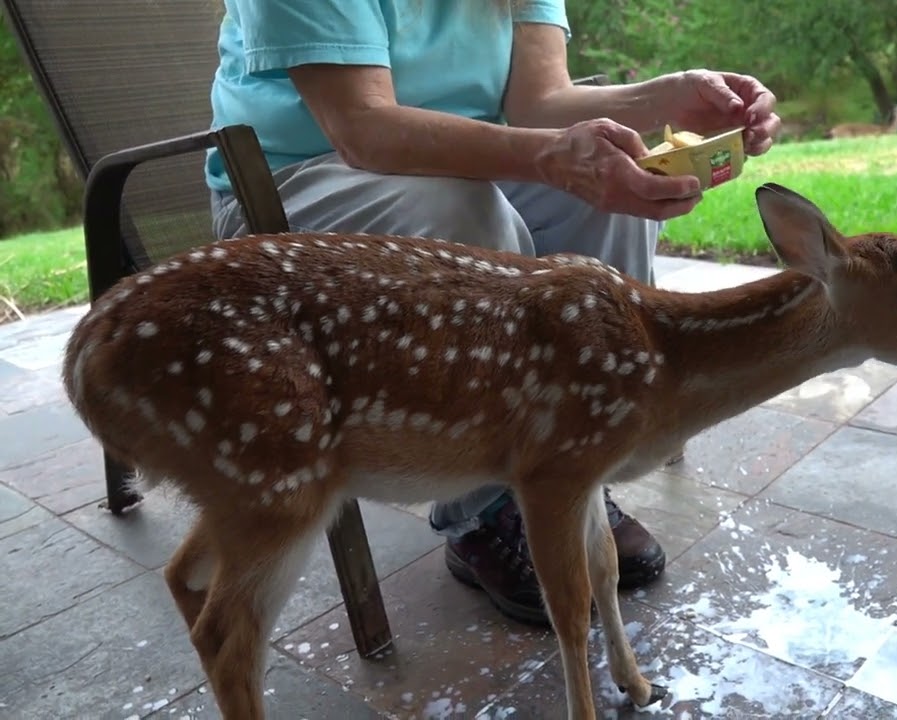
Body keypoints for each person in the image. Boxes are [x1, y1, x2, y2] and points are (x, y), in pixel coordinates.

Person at [203, 0, 782, 626]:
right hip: (300, 180)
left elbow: (540, 103)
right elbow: (361, 127)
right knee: (466, 220)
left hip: (467, 159)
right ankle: (483, 509)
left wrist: (668, 98)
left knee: (609, 204)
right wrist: (552, 158)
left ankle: (570, 466)